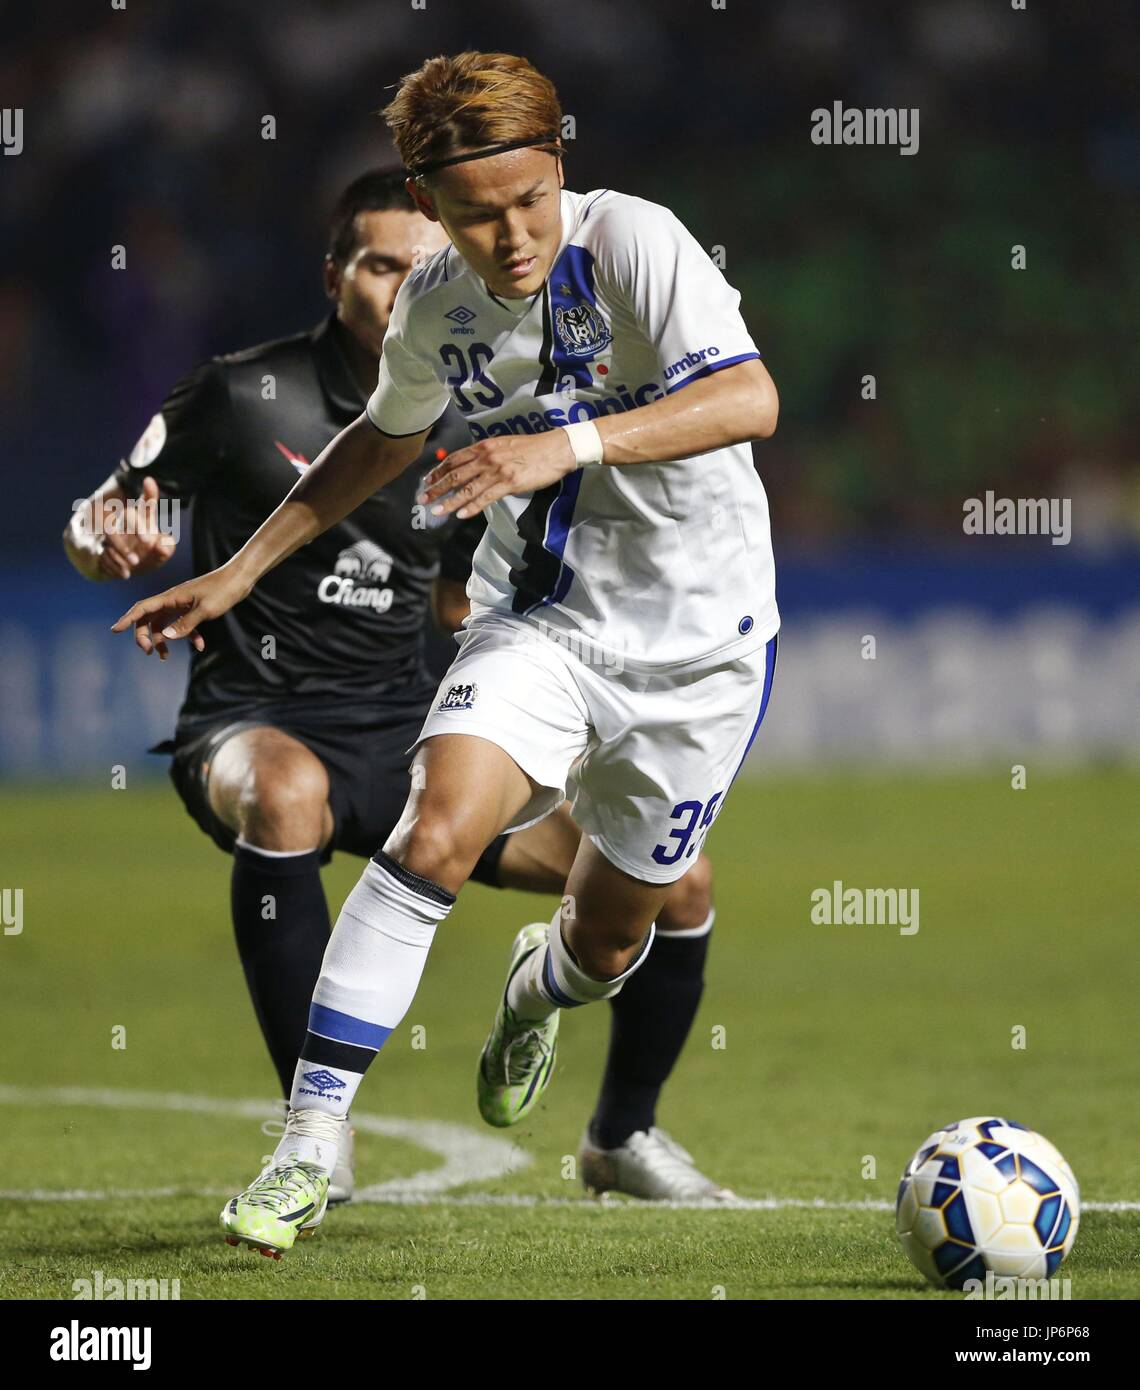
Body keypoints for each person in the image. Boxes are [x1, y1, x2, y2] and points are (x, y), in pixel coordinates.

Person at [114, 51, 780, 1258]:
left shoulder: (634, 240)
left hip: (699, 653)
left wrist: (561, 444)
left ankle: (540, 989)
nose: (514, 233)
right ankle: (307, 1146)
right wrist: (237, 568)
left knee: (613, 937)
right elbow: (377, 442)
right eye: (477, 213)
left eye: (530, 198)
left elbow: (747, 399)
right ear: (428, 206)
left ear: (559, 171)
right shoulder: (435, 303)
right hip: (541, 620)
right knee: (436, 828)